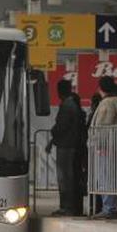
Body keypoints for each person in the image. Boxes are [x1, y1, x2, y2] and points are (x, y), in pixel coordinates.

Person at [46, 79, 87, 216]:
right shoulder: (72, 105)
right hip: (70, 145)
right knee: (68, 176)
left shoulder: (67, 105)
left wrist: (53, 133)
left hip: (66, 146)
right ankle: (70, 206)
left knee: (64, 177)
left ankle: (67, 207)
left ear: (60, 91)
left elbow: (61, 127)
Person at [90, 76, 117, 220]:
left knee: (105, 177)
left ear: (100, 88)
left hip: (106, 147)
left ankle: (109, 207)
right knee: (115, 178)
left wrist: (98, 144)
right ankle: (116, 206)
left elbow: (103, 126)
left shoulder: (106, 103)